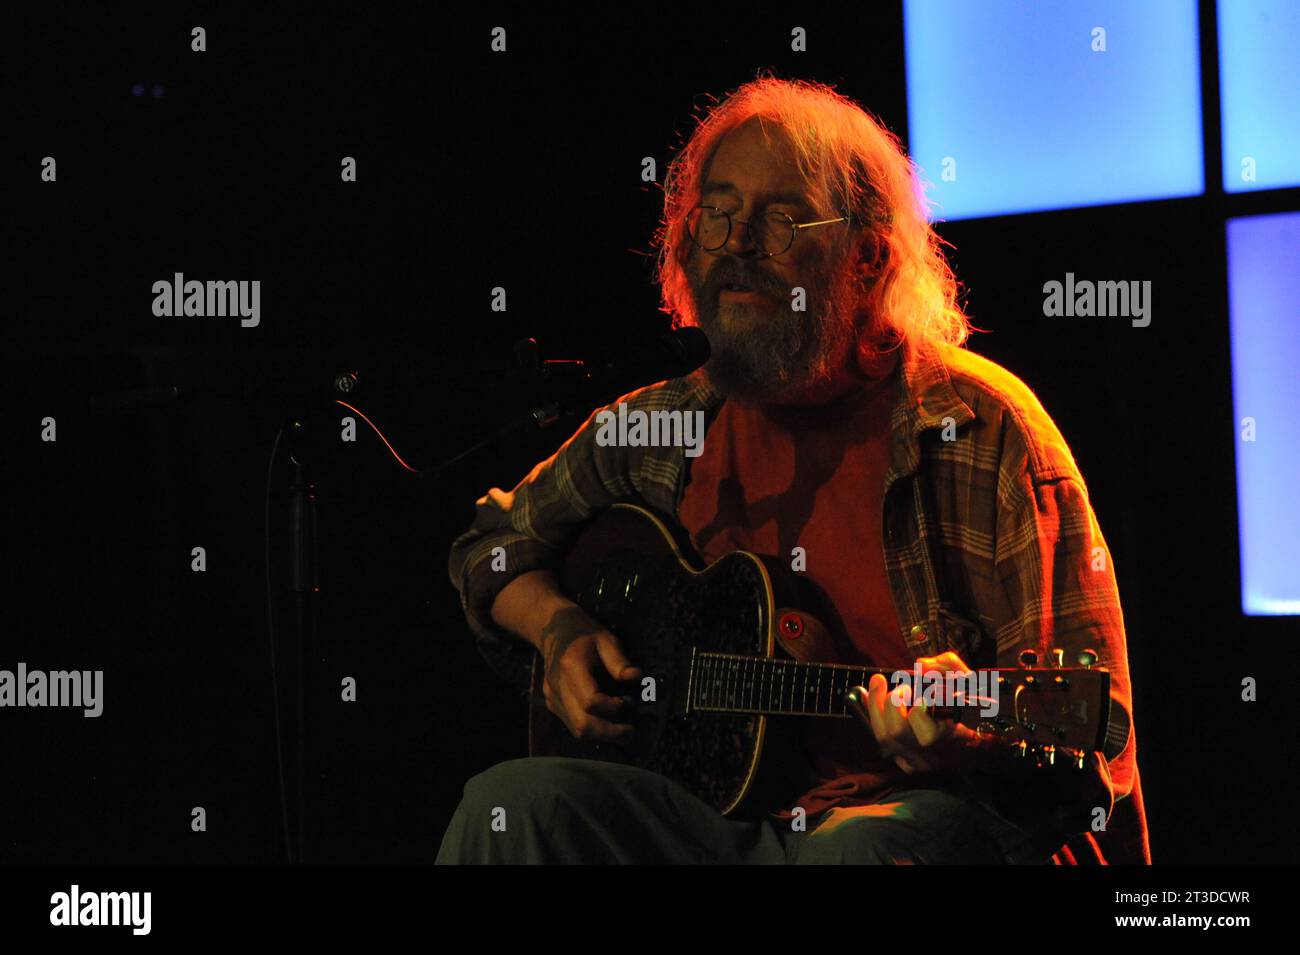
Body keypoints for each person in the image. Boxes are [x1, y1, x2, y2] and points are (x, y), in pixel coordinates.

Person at [436, 75, 1149, 864]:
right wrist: (560, 628)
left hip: (904, 824)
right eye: (719, 210)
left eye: (781, 218)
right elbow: (490, 546)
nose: (738, 243)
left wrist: (969, 740)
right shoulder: (670, 421)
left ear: (868, 258)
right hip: (707, 820)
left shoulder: (981, 428)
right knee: (510, 804)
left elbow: (1091, 745)